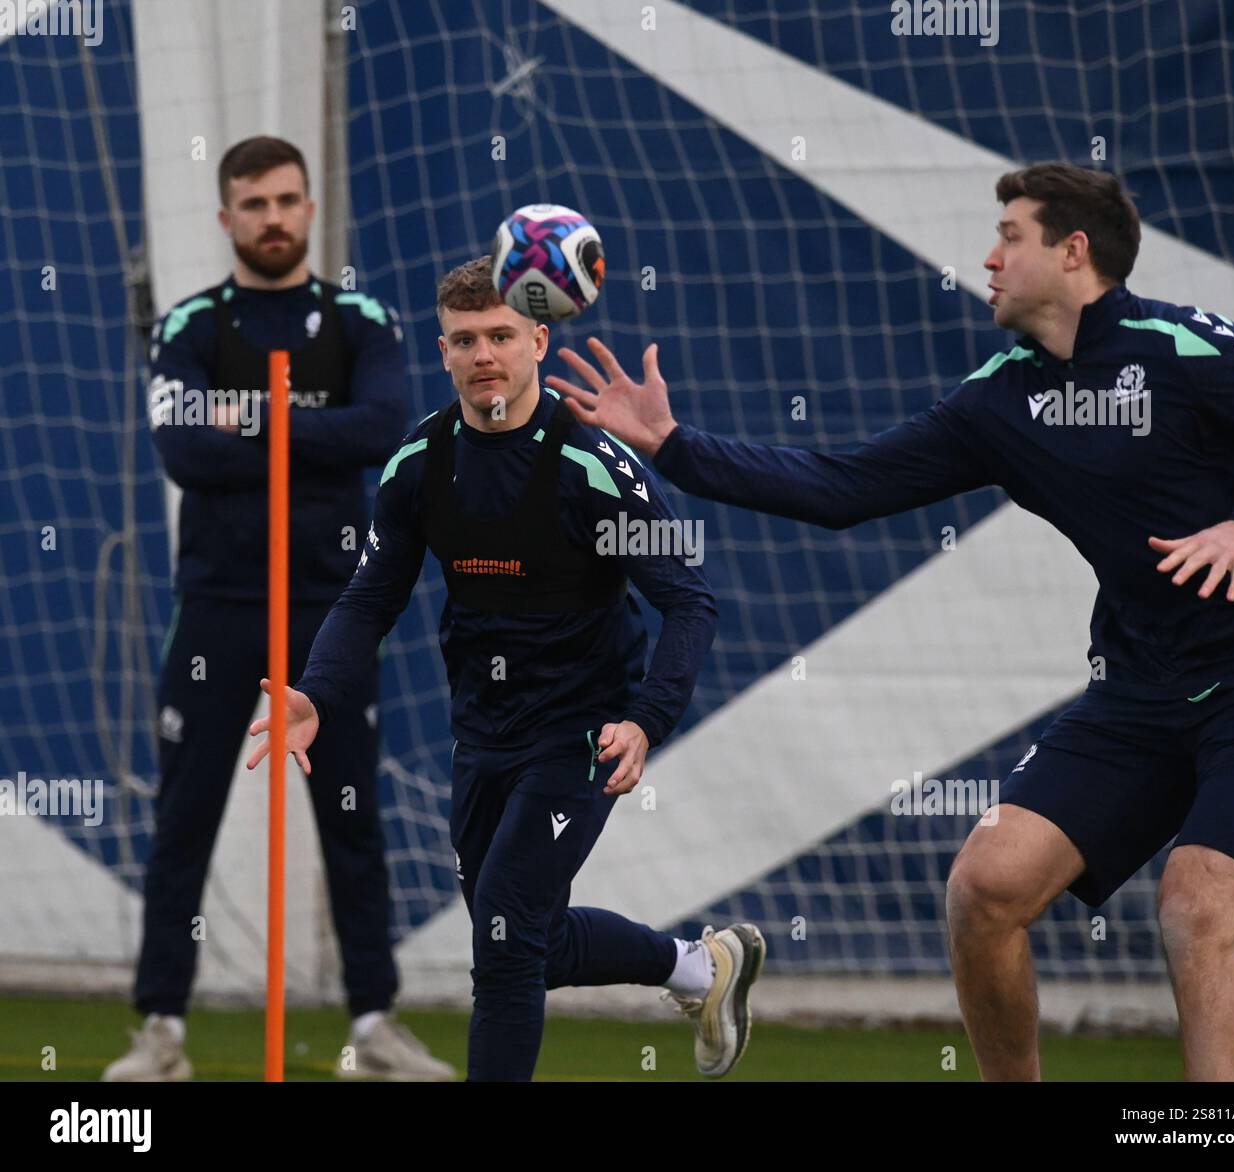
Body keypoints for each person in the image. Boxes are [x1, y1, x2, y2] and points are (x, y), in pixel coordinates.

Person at [546, 162, 1234, 1082]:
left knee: (1195, 906)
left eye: (1011, 237)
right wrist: (675, 447)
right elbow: (844, 489)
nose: (988, 259)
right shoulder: (1000, 400)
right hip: (1141, 684)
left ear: (1075, 252)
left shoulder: (1183, 348)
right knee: (984, 889)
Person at [246, 255, 765, 1082]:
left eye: (499, 336)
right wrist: (315, 691)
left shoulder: (592, 465)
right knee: (526, 937)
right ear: (442, 350)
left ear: (536, 339)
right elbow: (369, 597)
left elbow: (689, 600)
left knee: (505, 944)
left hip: (583, 732)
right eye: (464, 340)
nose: (482, 353)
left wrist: (646, 718)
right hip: (481, 732)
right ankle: (700, 969)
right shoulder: (418, 462)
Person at [106, 136, 452, 1082]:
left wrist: (249, 415)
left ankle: (375, 1024)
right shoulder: (190, 324)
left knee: (352, 816)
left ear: (310, 208)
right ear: (226, 218)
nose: (273, 218)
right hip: (216, 606)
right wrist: (307, 429)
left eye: (288, 200)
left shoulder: (359, 319)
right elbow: (182, 453)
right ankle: (162, 1032)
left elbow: (380, 431)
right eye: (253, 203)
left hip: (333, 609)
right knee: (184, 818)